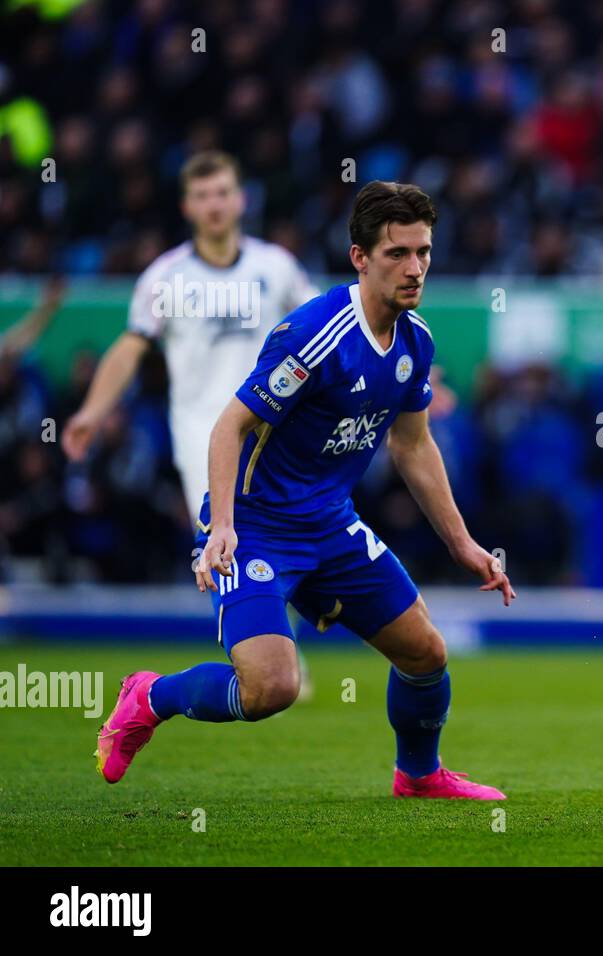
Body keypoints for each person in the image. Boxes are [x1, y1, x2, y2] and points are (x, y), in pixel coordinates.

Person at [95, 181, 514, 800]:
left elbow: (412, 444)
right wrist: (225, 526)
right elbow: (229, 426)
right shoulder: (315, 336)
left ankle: (419, 775)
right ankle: (151, 696)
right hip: (257, 525)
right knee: (271, 690)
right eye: (397, 253)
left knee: (426, 652)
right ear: (360, 258)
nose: (415, 267)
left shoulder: (415, 341)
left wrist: (462, 542)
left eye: (423, 251)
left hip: (329, 524)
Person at [62, 150, 320, 692]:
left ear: (241, 199)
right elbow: (131, 348)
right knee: (227, 542)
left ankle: (275, 655)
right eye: (203, 196)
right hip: (204, 437)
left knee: (287, 534)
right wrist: (91, 411)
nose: (214, 205)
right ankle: (261, 659)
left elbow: (328, 333)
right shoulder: (166, 277)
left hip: (277, 431)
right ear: (187, 206)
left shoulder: (275, 268)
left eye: (223, 193)